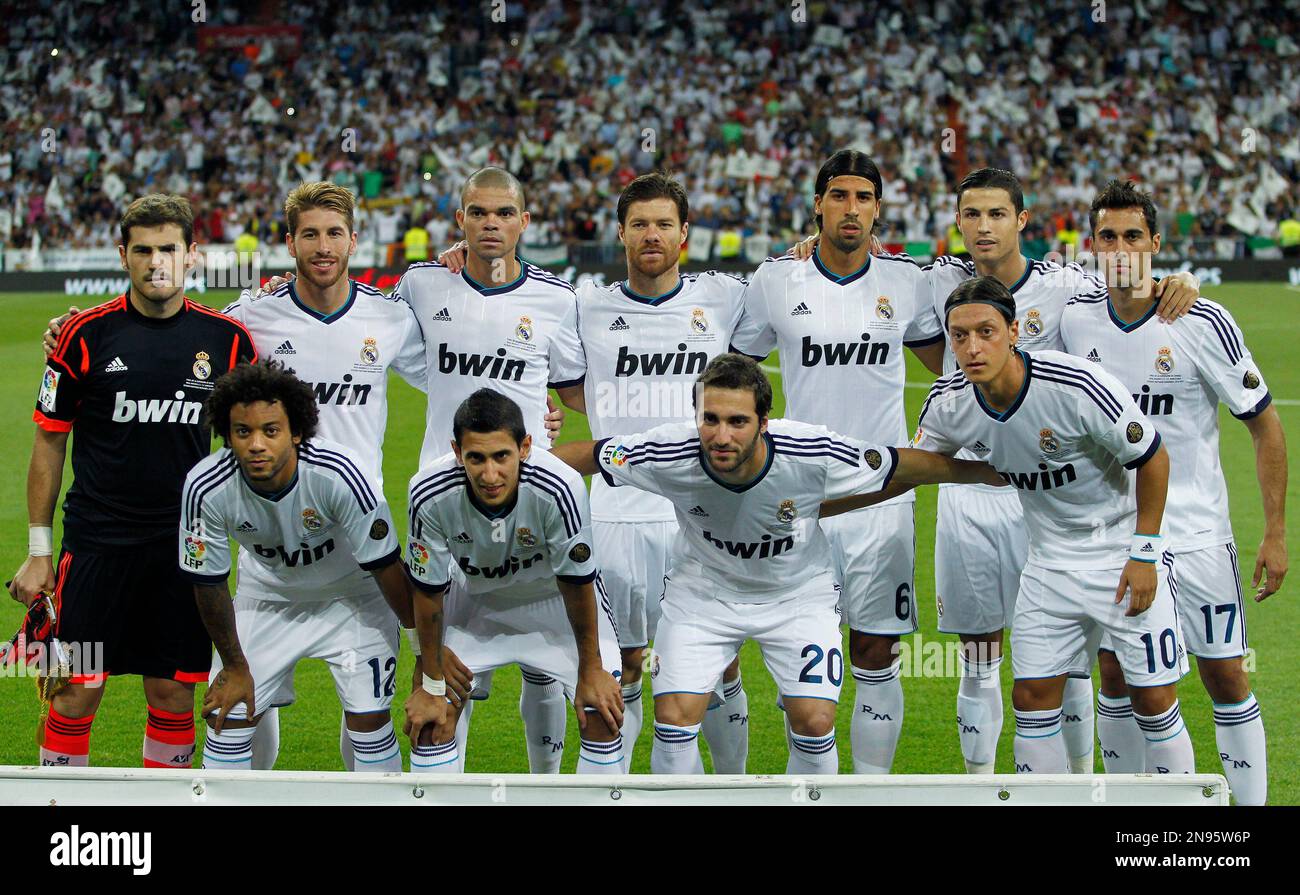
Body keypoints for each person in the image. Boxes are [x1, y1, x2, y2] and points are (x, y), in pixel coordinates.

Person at [552, 353, 1006, 774]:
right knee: (671, 721)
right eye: (709, 419)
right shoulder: (667, 451)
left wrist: (992, 472)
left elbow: (901, 466)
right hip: (701, 598)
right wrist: (521, 472)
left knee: (813, 721)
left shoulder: (811, 451)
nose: (721, 436)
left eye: (737, 421)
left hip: (797, 596)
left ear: (764, 422)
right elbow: (590, 455)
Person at [440, 172, 754, 770]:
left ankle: (730, 785)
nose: (652, 234)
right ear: (620, 233)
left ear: (685, 232)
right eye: (639, 224)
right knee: (626, 662)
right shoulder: (583, 306)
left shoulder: (724, 296)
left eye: (664, 223)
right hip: (612, 514)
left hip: (704, 512)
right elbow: (558, 382)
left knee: (719, 662)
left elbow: (792, 287)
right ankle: (619, 788)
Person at [9, 194, 257, 769]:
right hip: (97, 547)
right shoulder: (82, 336)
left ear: (192, 255)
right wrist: (39, 551)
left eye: (169, 248)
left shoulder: (227, 341)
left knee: (172, 693)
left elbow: (249, 440)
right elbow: (50, 439)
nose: (156, 262)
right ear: (123, 255)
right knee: (74, 691)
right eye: (142, 250)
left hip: (183, 552)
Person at [1061, 179, 1286, 802]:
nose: (1121, 247)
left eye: (1134, 235)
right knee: (1118, 676)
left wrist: (1274, 533)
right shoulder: (1074, 319)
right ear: (1092, 244)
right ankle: (1138, 811)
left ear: (1155, 244)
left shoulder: (1199, 318)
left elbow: (1265, 424)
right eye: (1108, 235)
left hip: (1197, 536)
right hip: (1115, 540)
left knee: (1226, 676)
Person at [914, 276, 1195, 775]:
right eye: (959, 336)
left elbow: (1152, 457)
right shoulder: (949, 401)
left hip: (1118, 554)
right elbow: (916, 463)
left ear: (1014, 331)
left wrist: (1146, 551)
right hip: (1046, 565)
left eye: (986, 331)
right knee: (1032, 697)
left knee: (1152, 700)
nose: (972, 348)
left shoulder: (1077, 385)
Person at [731, 149, 946, 774]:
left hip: (882, 495)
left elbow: (952, 360)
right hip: (802, 500)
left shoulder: (906, 283)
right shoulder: (776, 280)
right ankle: (814, 787)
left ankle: (869, 788)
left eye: (864, 198)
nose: (852, 208)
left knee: (876, 650)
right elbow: (738, 367)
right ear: (818, 204)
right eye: (840, 195)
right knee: (804, 654)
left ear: (878, 210)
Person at [392, 166, 587, 772]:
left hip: (533, 494)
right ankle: (446, 786)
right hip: (443, 500)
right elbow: (376, 335)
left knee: (543, 663)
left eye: (504, 213)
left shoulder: (558, 299)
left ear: (525, 222)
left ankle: (544, 784)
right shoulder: (423, 286)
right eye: (478, 213)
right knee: (445, 659)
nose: (491, 224)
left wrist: (543, 422)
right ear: (460, 220)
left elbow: (578, 387)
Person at [179, 360, 427, 771]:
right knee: (228, 720)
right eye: (243, 432)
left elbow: (388, 568)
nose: (256, 444)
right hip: (267, 599)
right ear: (227, 435)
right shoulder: (206, 487)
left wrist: (422, 653)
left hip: (353, 600)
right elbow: (209, 585)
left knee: (369, 721)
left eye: (270, 431)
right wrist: (236, 665)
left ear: (296, 432)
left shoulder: (340, 475)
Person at [403, 389, 624, 774]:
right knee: (430, 722)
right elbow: (427, 591)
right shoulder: (429, 492)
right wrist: (431, 669)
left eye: (501, 456)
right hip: (474, 602)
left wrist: (591, 668)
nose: (490, 475)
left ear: (524, 447)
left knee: (601, 713)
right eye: (476, 458)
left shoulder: (560, 486)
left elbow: (576, 583)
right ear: (458, 453)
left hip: (555, 602)